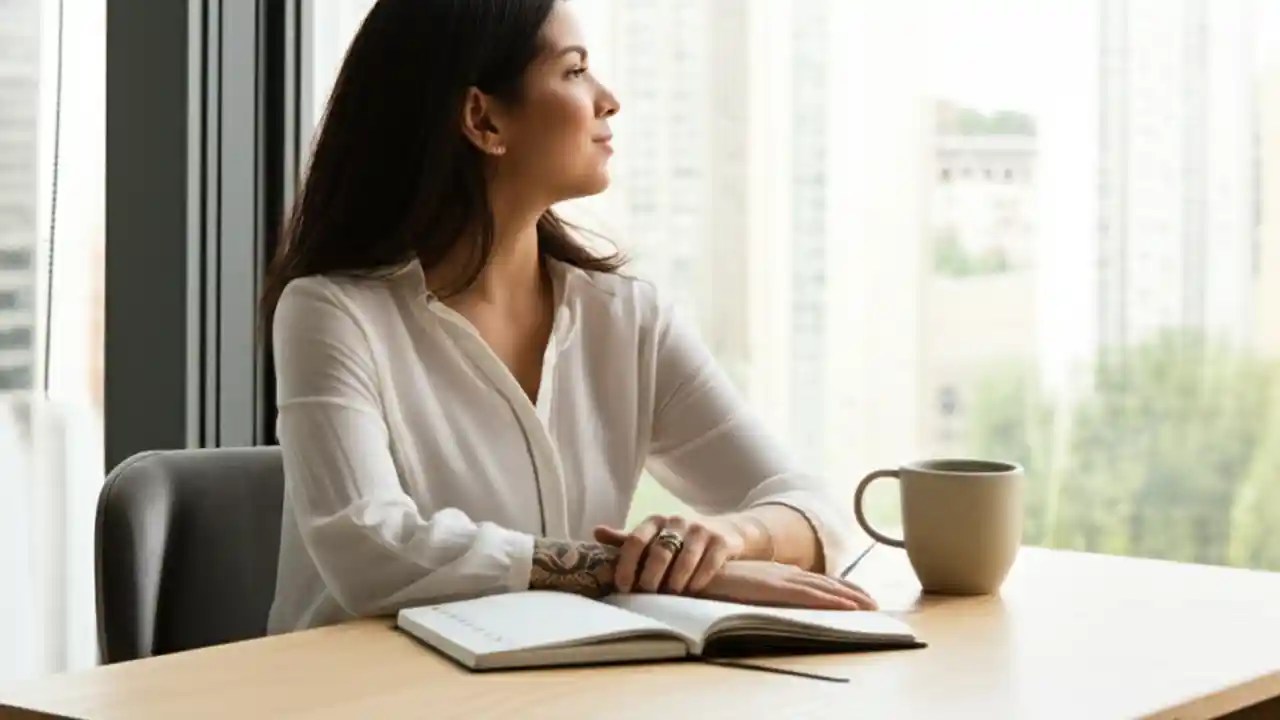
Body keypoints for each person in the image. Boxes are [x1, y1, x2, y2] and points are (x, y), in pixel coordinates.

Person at [259, 0, 875, 635]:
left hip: (550, 688)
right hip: (354, 692)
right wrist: (625, 567)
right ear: (482, 118)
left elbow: (817, 510)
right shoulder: (332, 313)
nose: (608, 100)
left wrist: (719, 541)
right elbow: (369, 549)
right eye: (575, 72)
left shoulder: (628, 320)